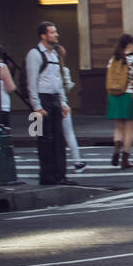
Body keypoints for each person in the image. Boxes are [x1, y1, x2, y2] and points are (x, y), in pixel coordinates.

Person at [26, 22, 70, 185]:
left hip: (54, 99)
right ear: (43, 36)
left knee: (59, 139)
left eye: (56, 31)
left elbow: (58, 80)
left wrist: (63, 102)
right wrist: (36, 106)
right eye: (52, 32)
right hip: (41, 100)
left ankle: (61, 175)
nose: (56, 35)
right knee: (44, 140)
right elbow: (31, 82)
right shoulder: (35, 54)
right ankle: (46, 176)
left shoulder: (54, 54)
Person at [106, 33, 133, 169]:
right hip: (130, 95)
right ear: (129, 45)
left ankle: (116, 150)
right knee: (129, 130)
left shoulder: (113, 59)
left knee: (118, 127)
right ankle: (125, 159)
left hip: (114, 96)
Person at [56, 43, 86, 172]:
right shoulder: (64, 70)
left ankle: (48, 160)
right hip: (62, 104)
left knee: (42, 134)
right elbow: (66, 88)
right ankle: (77, 161)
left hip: (40, 106)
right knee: (69, 133)